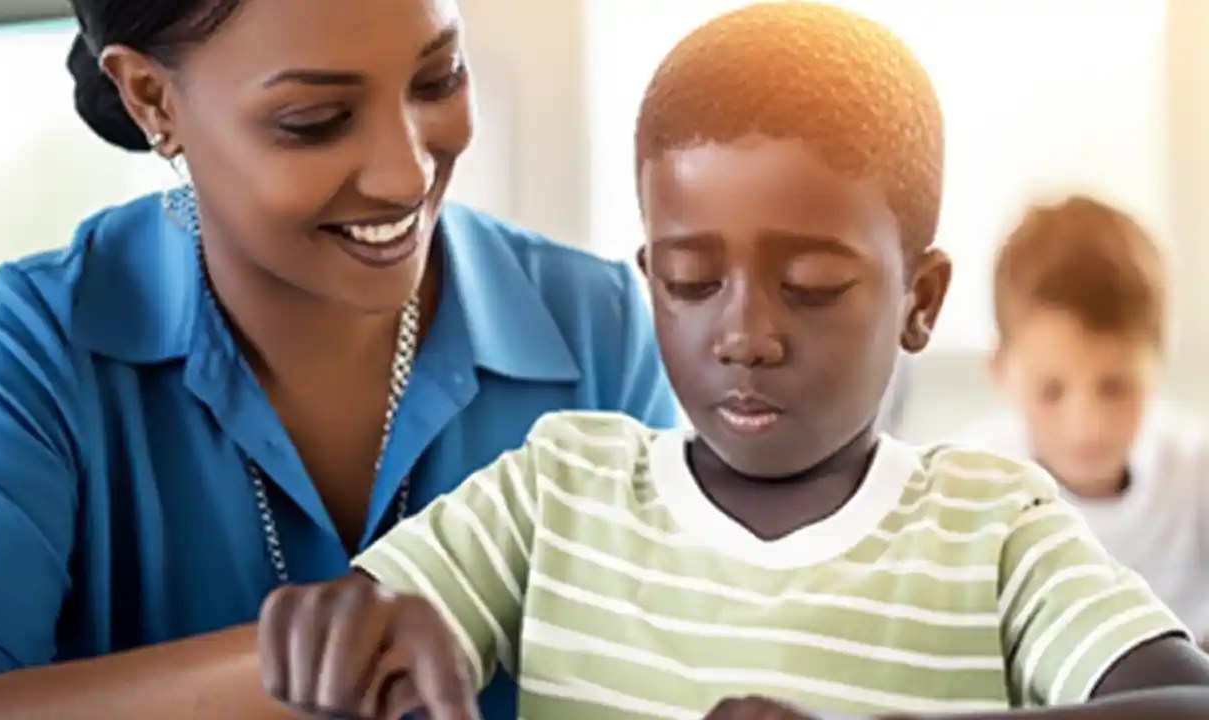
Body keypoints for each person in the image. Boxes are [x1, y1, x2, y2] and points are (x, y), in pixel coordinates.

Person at [251, 3, 1209, 719]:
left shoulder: (996, 527)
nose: (746, 333)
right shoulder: (555, 494)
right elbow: (378, 617)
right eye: (692, 281)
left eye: (813, 287)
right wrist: (354, 626)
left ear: (920, 301)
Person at [0, 0, 676, 717]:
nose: (406, 175)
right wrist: (301, 662)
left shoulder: (599, 332)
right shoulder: (46, 343)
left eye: (438, 78)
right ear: (152, 99)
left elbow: (671, 670)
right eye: (314, 122)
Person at [956, 195, 1209, 644]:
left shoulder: (1196, 475)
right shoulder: (967, 488)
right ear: (1000, 370)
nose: (1086, 425)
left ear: (1159, 362)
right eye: (1051, 392)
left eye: (1116, 387)